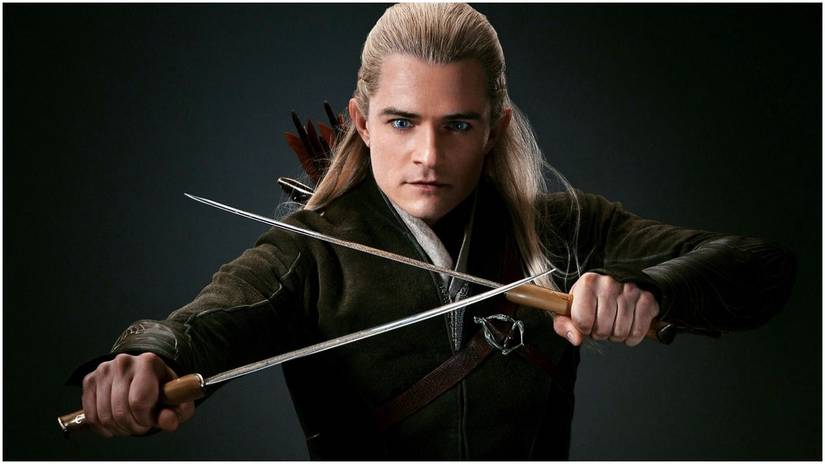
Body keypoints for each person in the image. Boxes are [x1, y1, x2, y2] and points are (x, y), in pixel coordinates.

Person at [73, 3, 795, 459]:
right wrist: (146, 359)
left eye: (457, 126)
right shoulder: (309, 251)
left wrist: (646, 289)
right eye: (401, 122)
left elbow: (760, 267)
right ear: (362, 122)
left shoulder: (568, 229)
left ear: (494, 129)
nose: (428, 155)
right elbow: (203, 328)